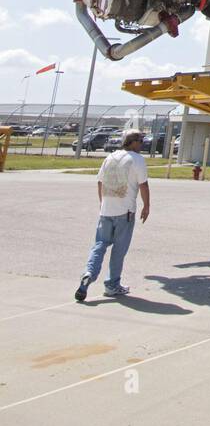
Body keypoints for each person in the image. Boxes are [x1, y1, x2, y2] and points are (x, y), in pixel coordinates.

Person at [75, 129, 150, 301]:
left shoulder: (110, 157)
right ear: (132, 142)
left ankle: (89, 273)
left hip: (106, 210)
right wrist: (147, 206)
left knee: (99, 244)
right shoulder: (137, 159)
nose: (142, 143)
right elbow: (143, 185)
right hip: (125, 212)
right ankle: (112, 285)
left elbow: (100, 181)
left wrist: (102, 202)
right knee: (119, 250)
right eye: (140, 140)